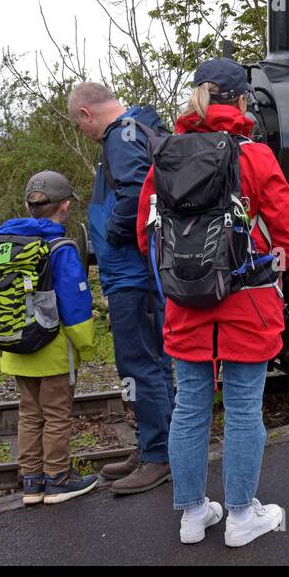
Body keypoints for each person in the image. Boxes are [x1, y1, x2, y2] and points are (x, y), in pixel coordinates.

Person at [136, 59, 289, 547]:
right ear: (242, 101)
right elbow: (287, 228)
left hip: (186, 302)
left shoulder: (165, 154)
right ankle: (242, 516)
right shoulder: (254, 156)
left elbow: (144, 231)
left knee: (189, 407)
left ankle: (191, 514)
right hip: (247, 303)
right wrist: (276, 260)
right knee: (245, 409)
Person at [69, 81, 175, 495]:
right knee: (152, 364)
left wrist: (110, 237)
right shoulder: (139, 128)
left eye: (81, 128)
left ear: (86, 115)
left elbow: (135, 196)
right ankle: (153, 445)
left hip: (132, 276)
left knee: (139, 366)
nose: (86, 134)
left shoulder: (120, 136)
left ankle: (159, 456)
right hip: (142, 273)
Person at [0, 171, 97, 505]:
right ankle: (57, 479)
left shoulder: (5, 243)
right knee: (56, 414)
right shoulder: (60, 246)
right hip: (51, 350)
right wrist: (85, 343)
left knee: (29, 414)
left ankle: (32, 482)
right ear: (65, 206)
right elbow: (75, 301)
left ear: (28, 204)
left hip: (15, 346)